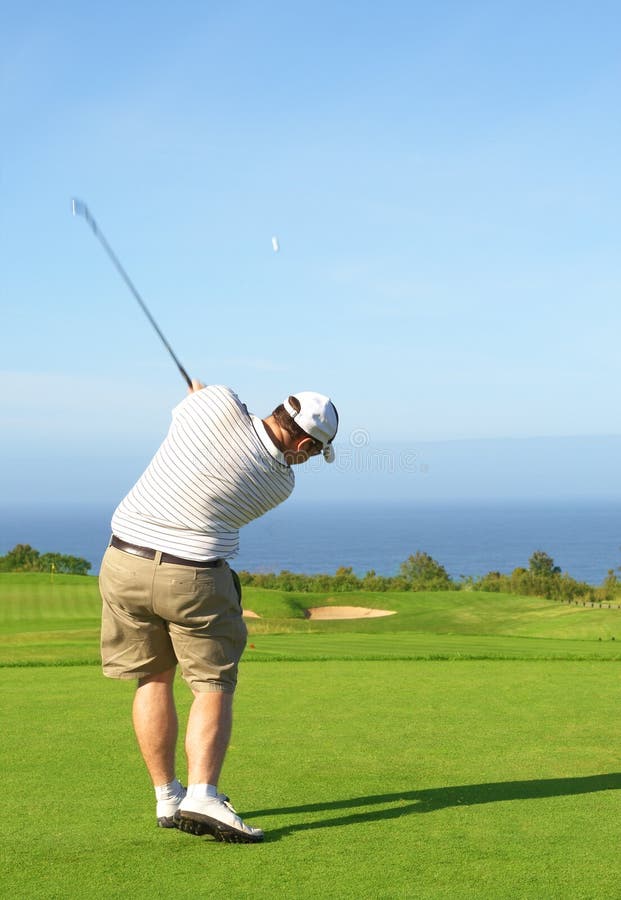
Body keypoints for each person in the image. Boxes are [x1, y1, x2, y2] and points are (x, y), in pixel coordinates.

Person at [98, 381, 339, 844]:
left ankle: (167, 796)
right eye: (313, 454)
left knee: (152, 677)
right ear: (305, 443)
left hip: (122, 560)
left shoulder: (216, 403)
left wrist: (203, 393)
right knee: (212, 683)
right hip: (191, 578)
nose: (305, 463)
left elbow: (203, 401)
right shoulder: (279, 483)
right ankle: (203, 796)